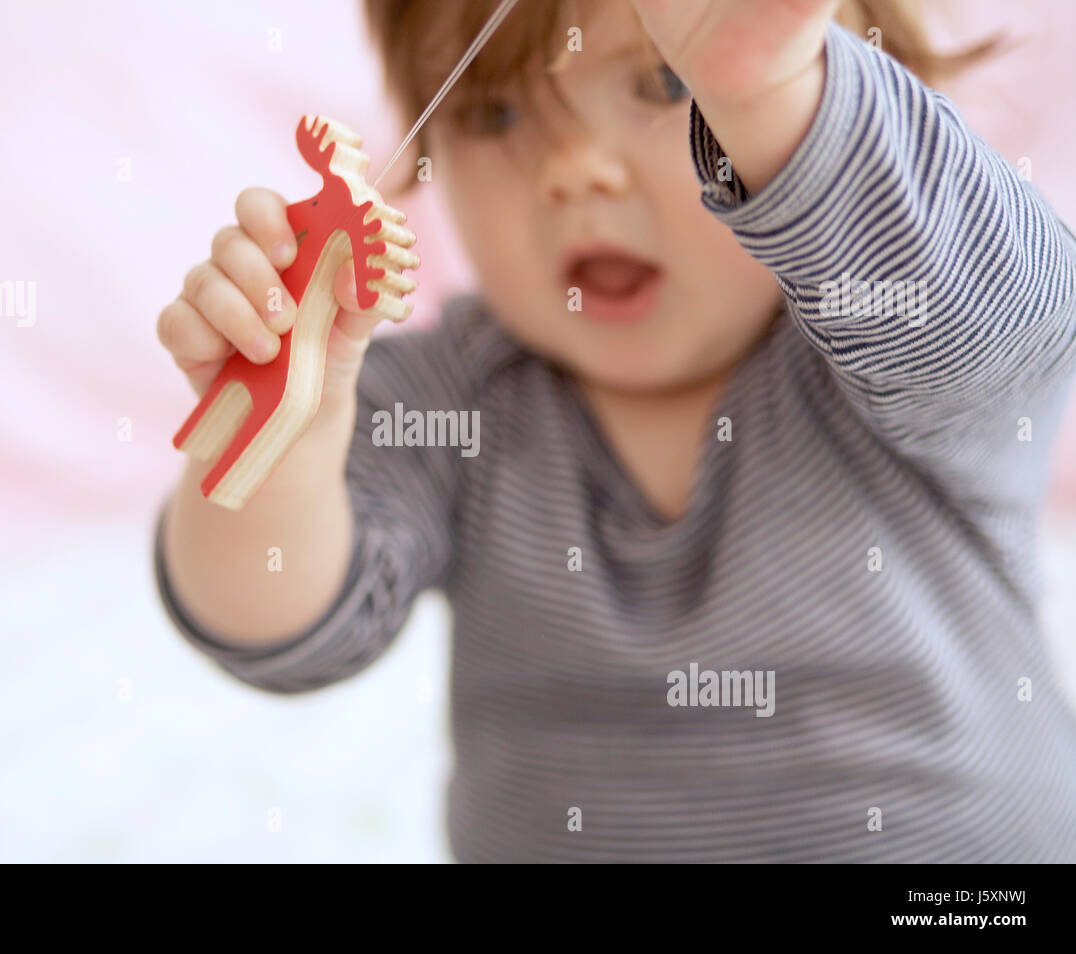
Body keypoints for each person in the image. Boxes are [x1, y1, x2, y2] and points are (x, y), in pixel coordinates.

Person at [153, 0, 1076, 861]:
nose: (575, 169)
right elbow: (282, 630)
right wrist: (291, 440)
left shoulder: (893, 347)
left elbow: (1016, 323)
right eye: (496, 117)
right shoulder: (450, 399)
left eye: (664, 85)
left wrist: (766, 97)